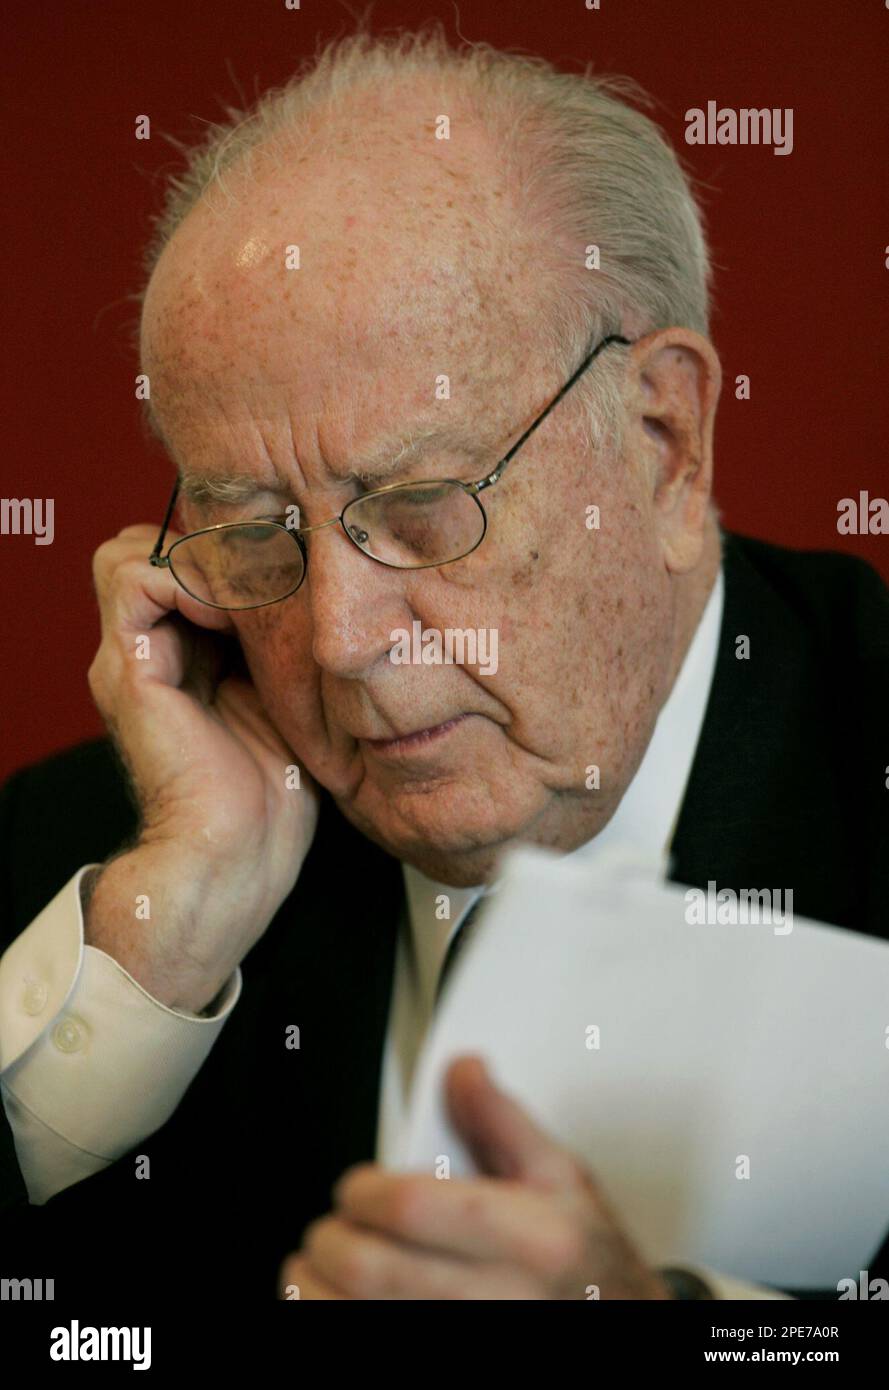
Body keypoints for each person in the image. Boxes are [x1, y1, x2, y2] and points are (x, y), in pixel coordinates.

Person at [2, 27, 886, 1302]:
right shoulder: (104, 864)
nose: (343, 640)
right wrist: (158, 954)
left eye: (421, 508)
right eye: (255, 532)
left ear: (663, 441)